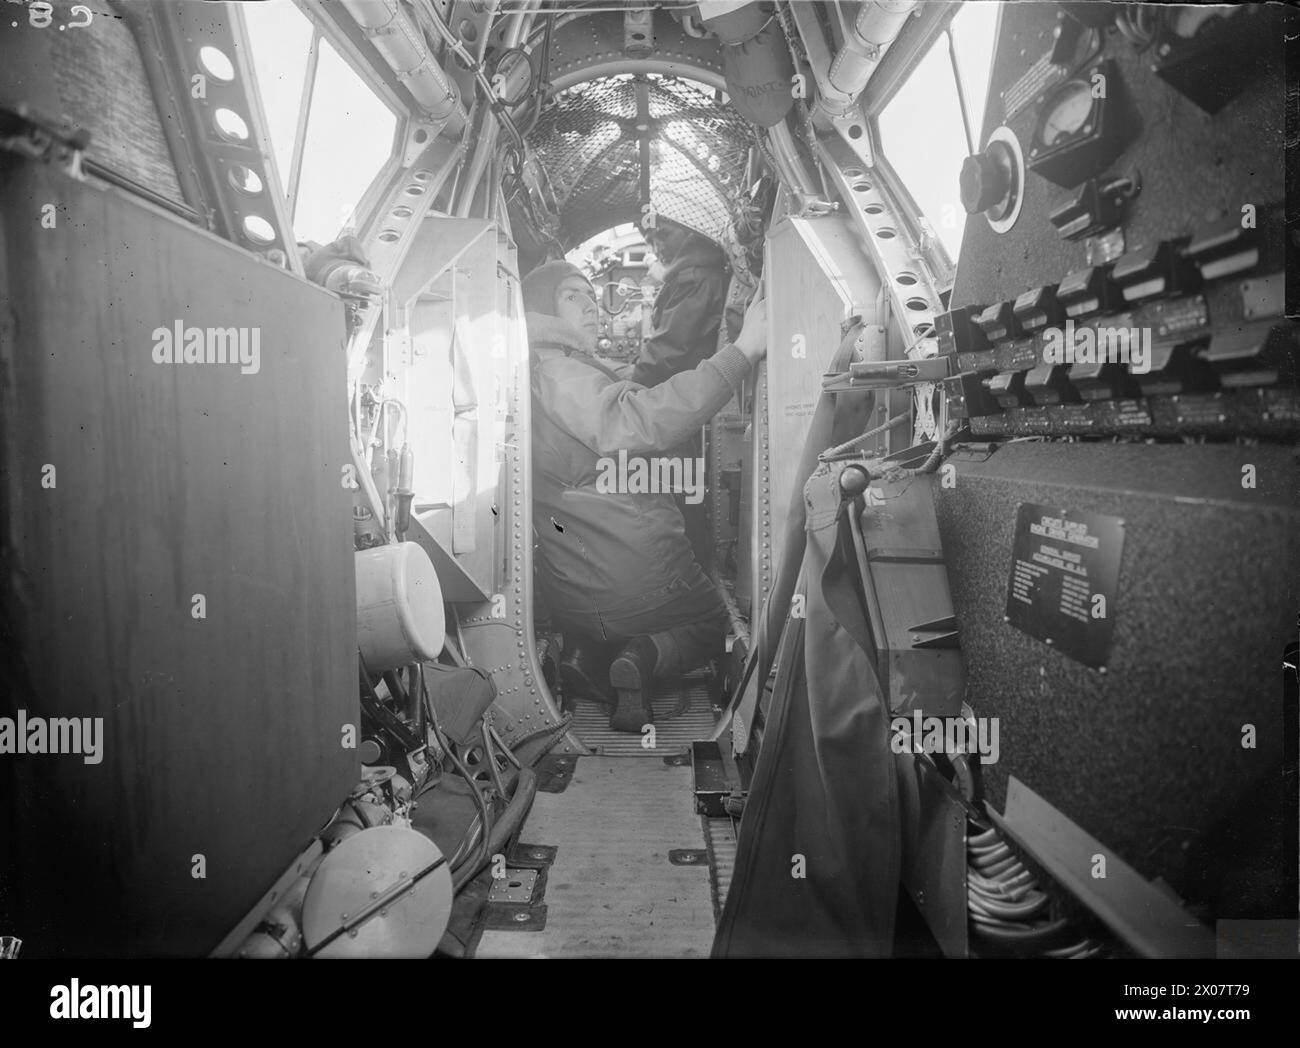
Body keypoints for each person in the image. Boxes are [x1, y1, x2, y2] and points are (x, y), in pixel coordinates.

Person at [524, 260, 766, 732]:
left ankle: (589, 658)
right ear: (541, 311)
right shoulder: (559, 374)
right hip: (636, 583)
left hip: (573, 596)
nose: (590, 305)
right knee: (715, 621)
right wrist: (743, 351)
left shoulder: (536, 373)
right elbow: (640, 420)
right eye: (572, 296)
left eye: (593, 296)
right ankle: (643, 657)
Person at [633, 216, 731, 387]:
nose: (658, 248)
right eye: (651, 242)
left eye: (665, 235)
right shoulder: (695, 274)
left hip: (688, 387)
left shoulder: (695, 280)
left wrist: (632, 385)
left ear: (690, 232)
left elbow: (668, 350)